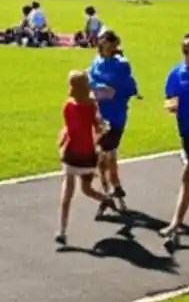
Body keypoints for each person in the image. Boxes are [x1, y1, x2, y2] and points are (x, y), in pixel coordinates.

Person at [56, 70, 115, 245]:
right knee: (74, 191)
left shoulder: (77, 106)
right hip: (82, 154)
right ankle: (62, 231)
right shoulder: (87, 105)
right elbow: (94, 128)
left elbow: (70, 130)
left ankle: (105, 199)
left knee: (79, 191)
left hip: (78, 154)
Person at [159, 32, 189, 241]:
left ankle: (175, 222)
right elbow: (169, 96)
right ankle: (176, 223)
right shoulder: (176, 73)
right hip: (187, 133)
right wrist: (170, 104)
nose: (187, 54)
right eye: (184, 50)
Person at [89, 30, 139, 211]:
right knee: (105, 155)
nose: (106, 48)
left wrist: (109, 89)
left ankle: (112, 188)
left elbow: (126, 85)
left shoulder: (121, 65)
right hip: (98, 115)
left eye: (110, 45)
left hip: (115, 116)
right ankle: (112, 189)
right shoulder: (96, 62)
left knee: (104, 152)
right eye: (103, 45)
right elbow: (90, 79)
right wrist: (98, 87)